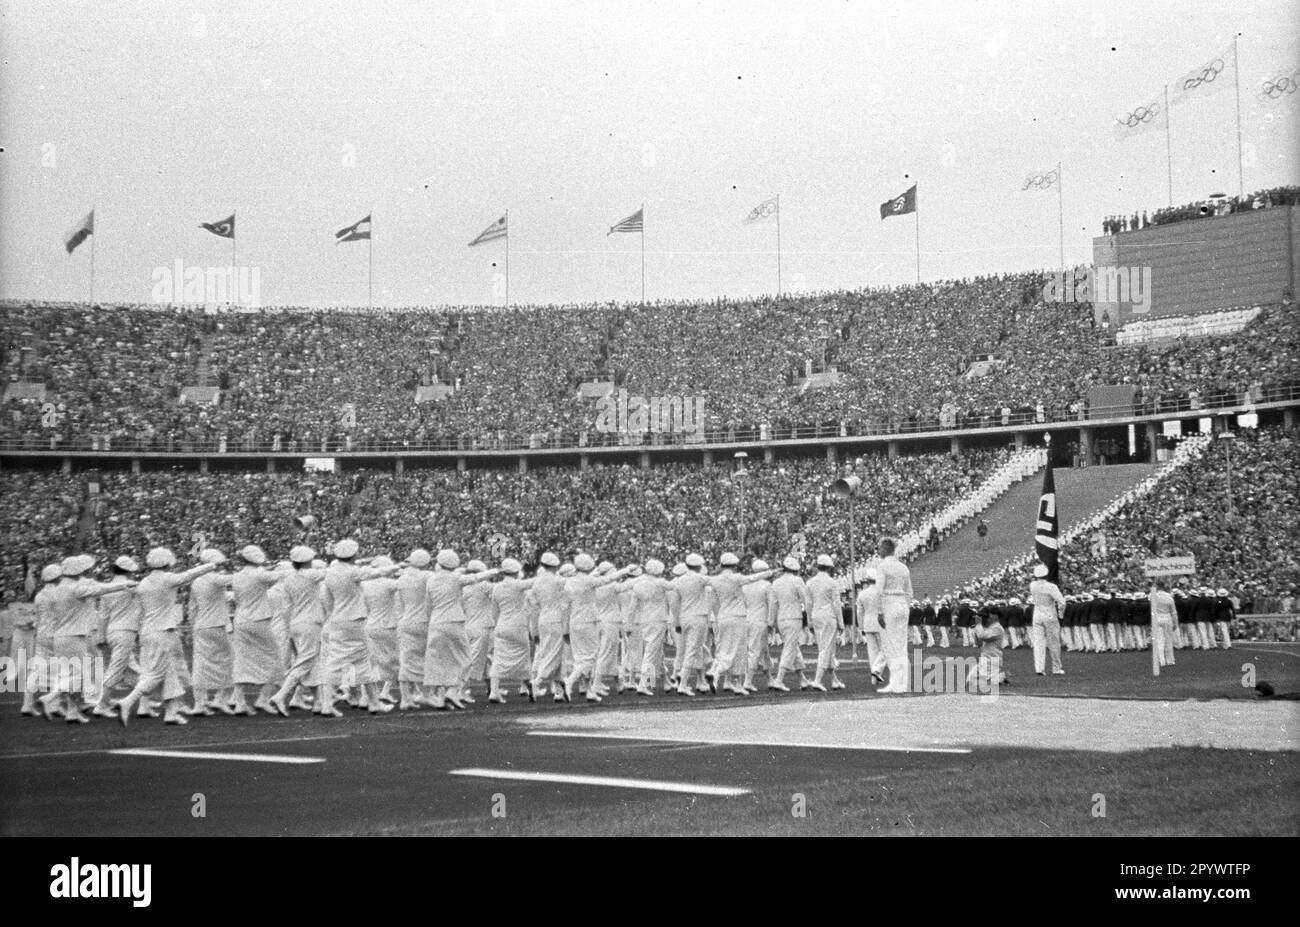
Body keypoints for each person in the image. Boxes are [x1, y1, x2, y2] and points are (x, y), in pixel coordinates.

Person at [116, 547, 217, 726]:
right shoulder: (166, 579)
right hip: (163, 631)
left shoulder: (144, 583)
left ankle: (171, 713)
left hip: (148, 631)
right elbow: (187, 575)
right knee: (156, 674)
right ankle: (129, 701)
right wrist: (210, 566)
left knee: (166, 673)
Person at [47, 555, 138, 724]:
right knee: (78, 676)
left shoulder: (58, 589)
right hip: (74, 636)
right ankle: (54, 700)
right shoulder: (74, 588)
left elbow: (97, 588)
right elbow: (100, 590)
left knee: (72, 674)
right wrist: (124, 585)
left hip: (60, 636)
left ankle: (71, 709)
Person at [423, 549, 498, 710]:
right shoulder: (456, 578)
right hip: (454, 621)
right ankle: (452, 691)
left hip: (436, 622)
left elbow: (427, 606)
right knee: (466, 660)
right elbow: (476, 577)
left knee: (441, 660)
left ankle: (440, 696)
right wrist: (496, 570)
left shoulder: (431, 580)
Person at [562, 553, 633, 702]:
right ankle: (568, 683)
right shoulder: (588, 581)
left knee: (581, 658)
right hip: (588, 621)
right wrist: (626, 570)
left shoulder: (570, 582)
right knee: (589, 659)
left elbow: (565, 607)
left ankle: (589, 691)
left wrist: (565, 629)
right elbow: (608, 579)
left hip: (574, 622)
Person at [266, 546, 329, 716]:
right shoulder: (311, 575)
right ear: (308, 561)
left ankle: (317, 701)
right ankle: (281, 695)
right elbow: (331, 572)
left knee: (312, 662)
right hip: (310, 622)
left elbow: (286, 607)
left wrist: (288, 628)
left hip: (294, 623)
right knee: (306, 661)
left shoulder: (288, 580)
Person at [705, 553, 775, 695]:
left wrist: (719, 616)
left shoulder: (715, 580)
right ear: (734, 565)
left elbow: (713, 601)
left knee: (723, 648)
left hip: (722, 617)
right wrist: (768, 573)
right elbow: (751, 578)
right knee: (738, 651)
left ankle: (728, 680)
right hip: (737, 617)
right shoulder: (736, 578)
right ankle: (717, 673)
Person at [230, 545, 286, 716]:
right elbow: (279, 575)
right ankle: (263, 699)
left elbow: (259, 574)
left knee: (242, 659)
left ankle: (239, 701)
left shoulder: (237, 575)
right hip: (259, 620)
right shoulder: (260, 575)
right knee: (275, 658)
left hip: (240, 620)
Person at [92, 556, 145, 718]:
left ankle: (145, 701)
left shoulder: (107, 588)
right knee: (117, 668)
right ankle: (101, 704)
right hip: (125, 631)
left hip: (112, 631)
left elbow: (103, 615)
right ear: (128, 571)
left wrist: (101, 636)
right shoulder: (131, 586)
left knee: (129, 665)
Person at [187, 548, 237, 716]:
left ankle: (200, 702)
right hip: (217, 625)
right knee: (230, 661)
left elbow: (192, 608)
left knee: (200, 663)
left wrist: (194, 626)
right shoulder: (215, 578)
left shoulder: (196, 581)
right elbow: (234, 579)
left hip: (201, 626)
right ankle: (220, 699)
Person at [488, 558, 535, 703]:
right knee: (524, 656)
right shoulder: (517, 585)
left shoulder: (496, 588)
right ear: (515, 572)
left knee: (498, 659)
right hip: (518, 626)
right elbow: (534, 582)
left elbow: (494, 612)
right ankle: (529, 687)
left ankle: (494, 691)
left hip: (502, 626)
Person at [20, 565, 62, 718]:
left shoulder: (39, 595)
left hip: (42, 635)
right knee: (61, 670)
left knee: (36, 671)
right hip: (56, 634)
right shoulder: (59, 593)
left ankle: (27, 705)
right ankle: (53, 705)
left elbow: (38, 618)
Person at [671, 553, 715, 696]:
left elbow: (675, 605)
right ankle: (683, 684)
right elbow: (716, 582)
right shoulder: (700, 579)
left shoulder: (678, 582)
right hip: (698, 618)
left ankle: (697, 680)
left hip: (684, 618)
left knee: (692, 649)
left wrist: (677, 622)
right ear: (699, 566)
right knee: (692, 651)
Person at [631, 559, 677, 695]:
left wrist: (630, 622)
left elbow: (633, 606)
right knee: (651, 651)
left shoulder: (638, 584)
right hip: (658, 619)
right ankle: (643, 684)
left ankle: (662, 681)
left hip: (645, 619)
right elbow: (674, 586)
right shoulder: (660, 583)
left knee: (656, 651)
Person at [529, 551, 570, 701]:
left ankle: (559, 690)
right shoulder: (557, 581)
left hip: (543, 619)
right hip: (555, 619)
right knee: (554, 654)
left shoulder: (536, 582)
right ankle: (537, 682)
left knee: (553, 653)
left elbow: (534, 605)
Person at [362, 555, 402, 705]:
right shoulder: (388, 584)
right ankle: (384, 691)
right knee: (393, 661)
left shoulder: (365, 585)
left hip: (370, 625)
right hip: (387, 626)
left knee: (372, 662)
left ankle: (366, 696)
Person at [396, 549, 432, 710]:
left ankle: (406, 698)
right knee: (426, 659)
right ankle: (425, 694)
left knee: (406, 659)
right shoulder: (426, 576)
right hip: (422, 620)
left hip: (406, 620)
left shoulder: (402, 577)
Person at [876, 538, 913, 693]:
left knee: (891, 646)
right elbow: (909, 592)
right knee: (901, 645)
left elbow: (879, 590)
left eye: (880, 548)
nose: (878, 551)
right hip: (902, 604)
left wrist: (879, 611)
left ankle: (895, 683)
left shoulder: (883, 566)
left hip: (889, 603)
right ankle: (902, 683)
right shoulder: (903, 567)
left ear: (885, 549)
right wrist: (906, 607)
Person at [769, 556, 810, 692]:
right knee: (790, 648)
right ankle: (779, 679)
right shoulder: (797, 581)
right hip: (794, 617)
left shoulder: (776, 583)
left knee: (793, 647)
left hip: (781, 618)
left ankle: (802, 678)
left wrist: (772, 621)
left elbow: (773, 605)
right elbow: (806, 600)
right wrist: (810, 618)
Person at [805, 554, 845, 692]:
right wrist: (841, 623)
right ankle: (817, 680)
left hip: (816, 615)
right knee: (826, 649)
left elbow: (808, 603)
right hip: (828, 616)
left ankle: (834, 680)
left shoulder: (810, 583)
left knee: (825, 648)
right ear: (829, 568)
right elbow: (836, 604)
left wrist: (809, 620)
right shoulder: (832, 583)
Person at [461, 559, 497, 701]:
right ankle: (461, 690)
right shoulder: (483, 586)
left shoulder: (463, 588)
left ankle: (491, 688)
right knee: (473, 661)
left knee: (486, 659)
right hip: (482, 627)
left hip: (468, 626)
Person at [741, 559, 776, 693]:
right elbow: (772, 604)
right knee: (755, 651)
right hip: (760, 621)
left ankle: (769, 678)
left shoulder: (745, 586)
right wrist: (771, 622)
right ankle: (748, 681)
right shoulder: (767, 585)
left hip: (748, 619)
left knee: (764, 651)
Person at [1028, 563, 1066, 676]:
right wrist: (1061, 614)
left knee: (1039, 642)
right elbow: (1062, 602)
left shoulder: (1032, 585)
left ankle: (1039, 668)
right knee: (1053, 642)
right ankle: (1056, 668)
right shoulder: (1051, 587)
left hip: (1037, 614)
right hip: (1049, 614)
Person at [856, 568, 886, 685]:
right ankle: (877, 670)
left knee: (872, 652)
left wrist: (861, 626)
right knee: (886, 649)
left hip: (868, 623)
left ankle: (874, 677)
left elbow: (859, 612)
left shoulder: (862, 594)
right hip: (880, 623)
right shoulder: (880, 592)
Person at [1149, 579, 1178, 675]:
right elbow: (1174, 612)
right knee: (1169, 639)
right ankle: (1170, 659)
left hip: (1157, 618)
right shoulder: (1169, 597)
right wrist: (1175, 623)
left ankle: (1161, 660)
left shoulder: (1153, 596)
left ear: (1157, 587)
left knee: (1159, 640)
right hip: (1167, 617)